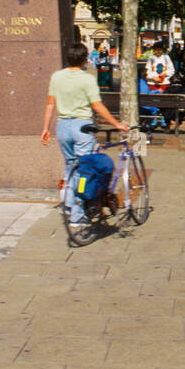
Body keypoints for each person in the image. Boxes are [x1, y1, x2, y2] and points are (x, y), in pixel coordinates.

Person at [40, 43, 128, 230]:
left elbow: (50, 104)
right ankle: (77, 216)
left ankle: (69, 205)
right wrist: (116, 123)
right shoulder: (87, 79)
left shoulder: (57, 77)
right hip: (82, 127)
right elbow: (97, 106)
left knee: (70, 166)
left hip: (63, 126)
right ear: (84, 59)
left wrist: (45, 128)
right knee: (84, 172)